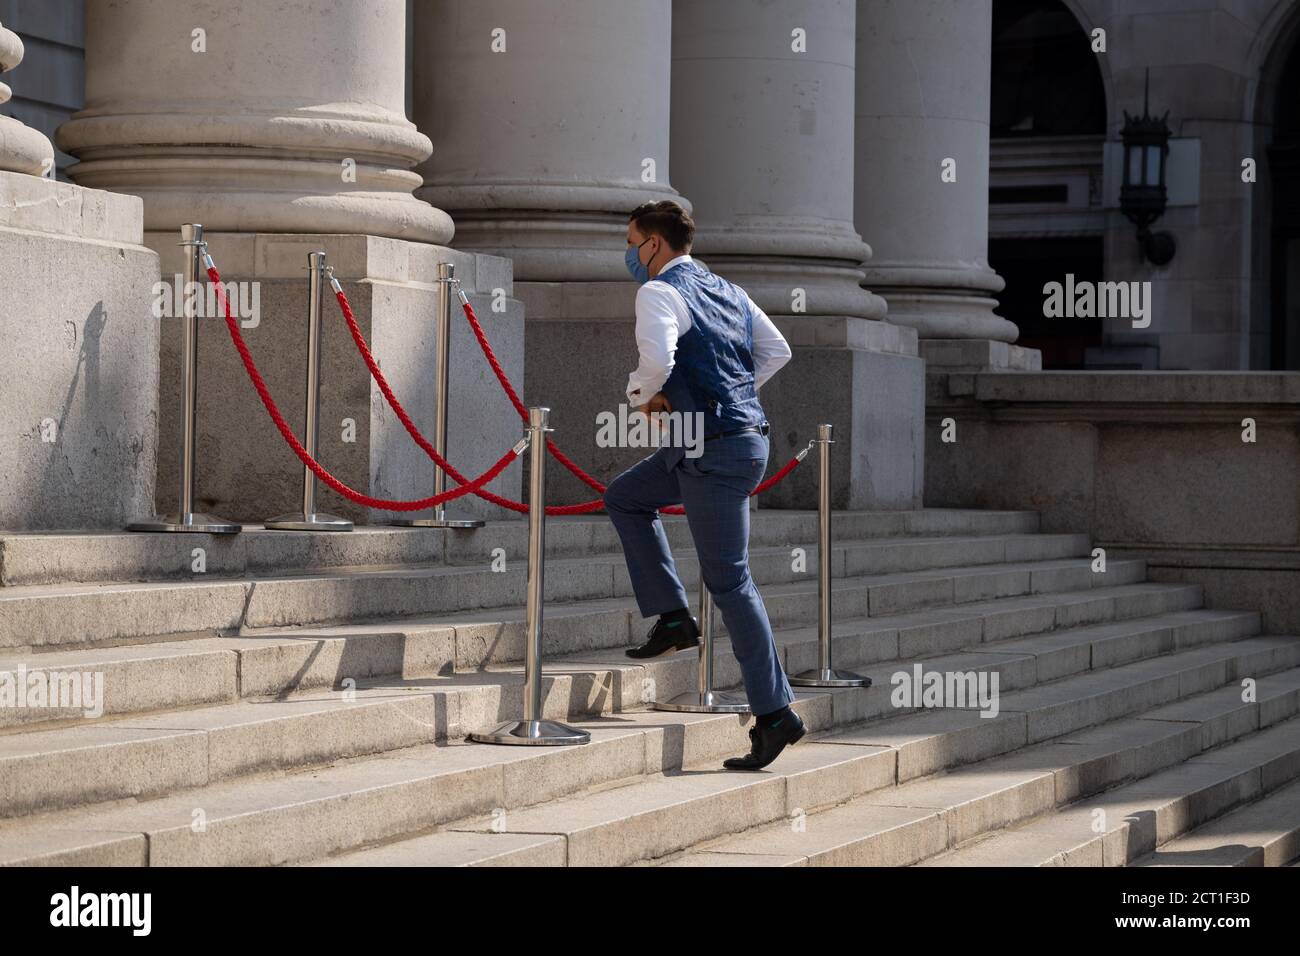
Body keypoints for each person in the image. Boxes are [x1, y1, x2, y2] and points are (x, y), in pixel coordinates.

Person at [603, 199, 802, 771]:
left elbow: (657, 357)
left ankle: (775, 712)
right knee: (627, 498)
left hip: (714, 450)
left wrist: (643, 396)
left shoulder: (658, 291)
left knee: (731, 582)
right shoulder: (728, 291)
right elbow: (776, 351)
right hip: (723, 441)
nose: (629, 255)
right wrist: (731, 397)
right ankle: (672, 618)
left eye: (632, 242)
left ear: (655, 246)